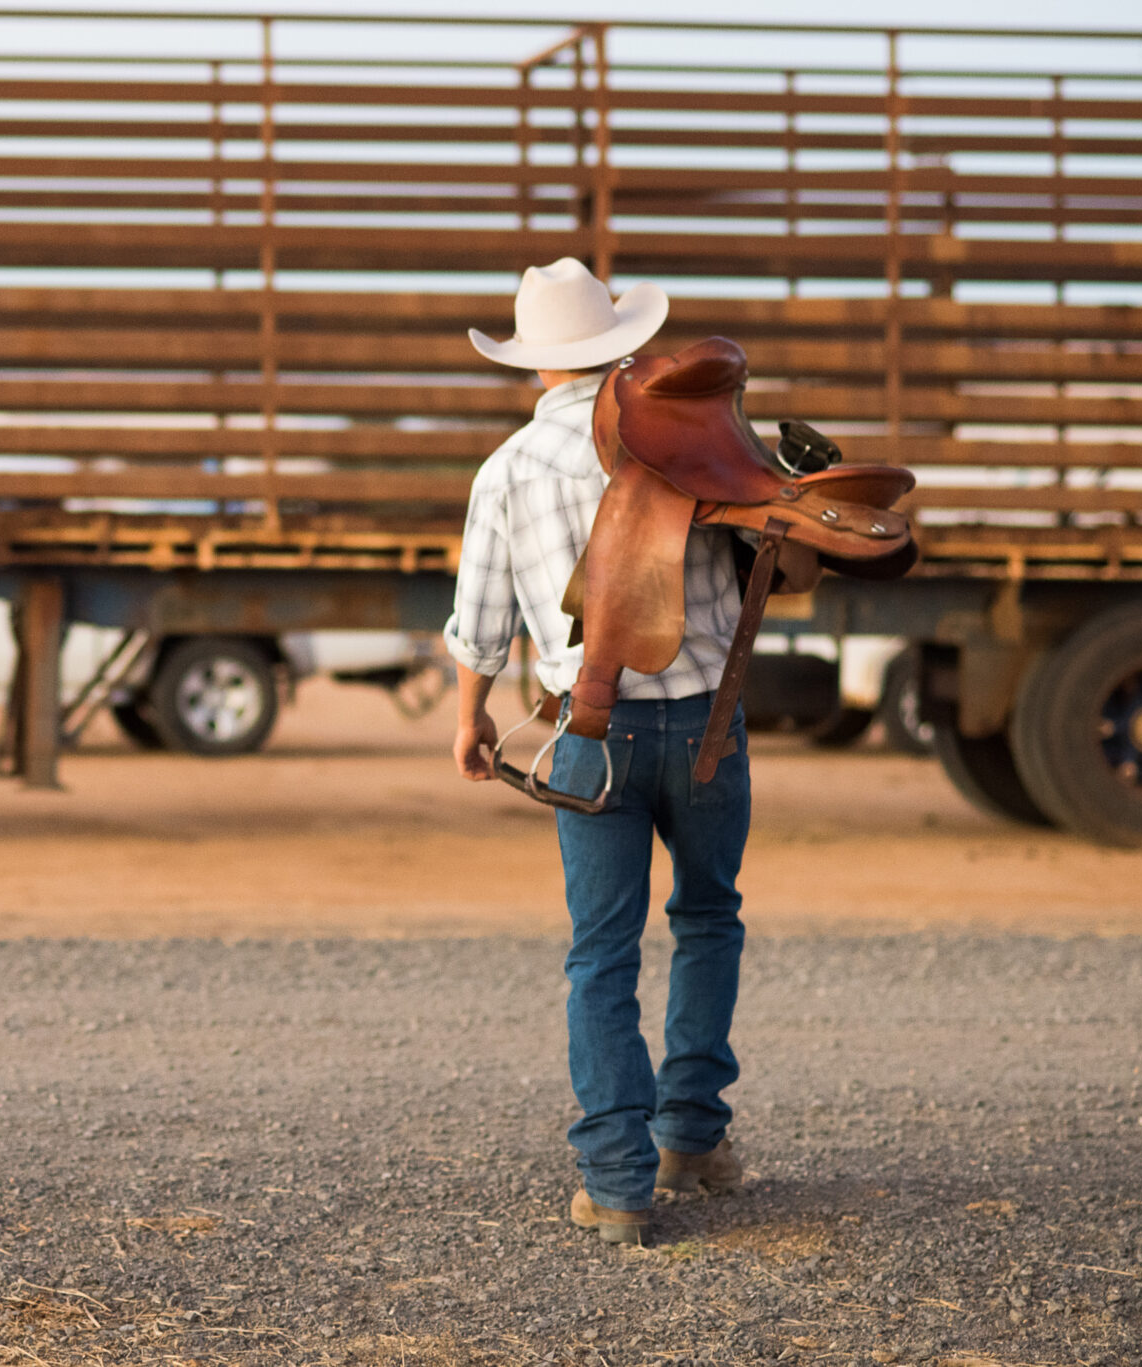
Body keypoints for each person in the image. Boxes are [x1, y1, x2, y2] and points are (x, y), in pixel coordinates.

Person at [444, 257, 751, 1247]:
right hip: (705, 722)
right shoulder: (686, 438)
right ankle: (691, 1138)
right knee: (707, 917)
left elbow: (478, 623)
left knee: (599, 955)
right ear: (619, 345)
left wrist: (470, 718)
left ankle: (617, 1184)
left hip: (589, 729)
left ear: (534, 364)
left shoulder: (505, 470)